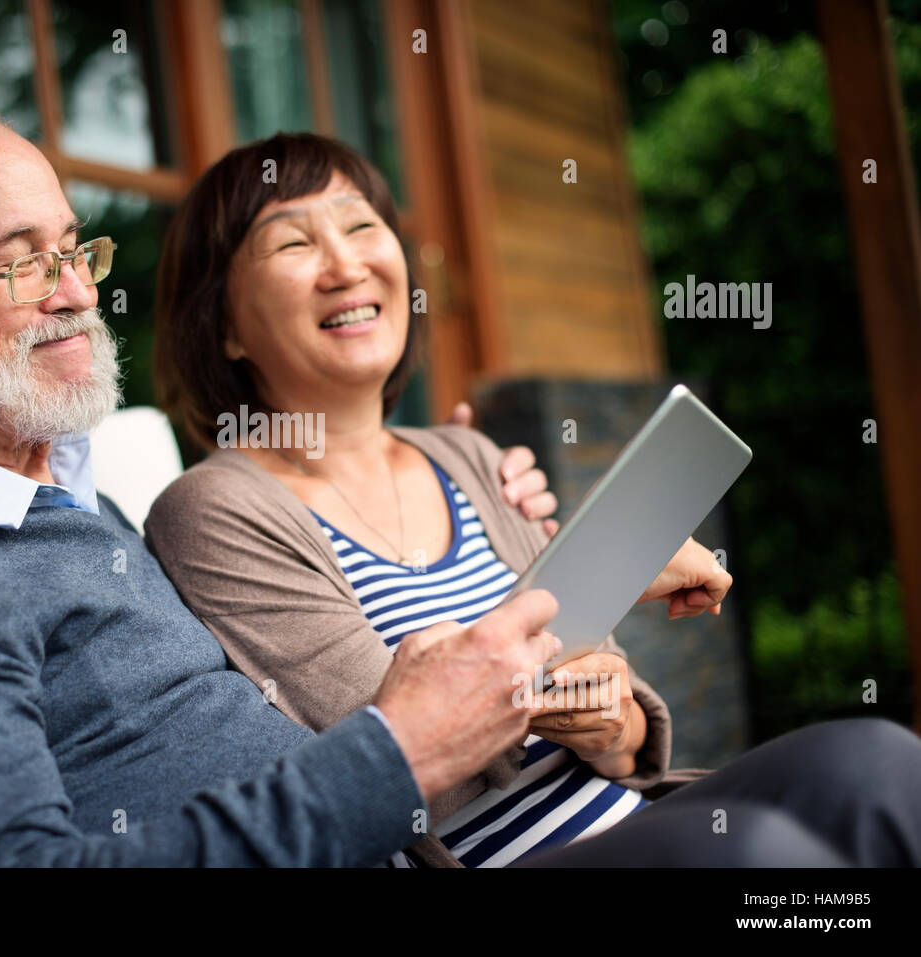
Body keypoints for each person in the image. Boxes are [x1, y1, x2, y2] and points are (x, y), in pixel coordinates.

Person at [0, 103, 576, 867]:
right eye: (20, 263)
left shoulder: (78, 499)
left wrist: (468, 484)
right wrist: (399, 752)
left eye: (73, 251)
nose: (77, 291)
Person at [143, 131, 921, 867]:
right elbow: (395, 752)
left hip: (636, 812)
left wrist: (613, 720)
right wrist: (560, 672)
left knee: (879, 759)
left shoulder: (471, 456)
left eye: (361, 225)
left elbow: (617, 703)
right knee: (770, 861)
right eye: (293, 241)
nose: (345, 265)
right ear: (224, 327)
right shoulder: (215, 509)